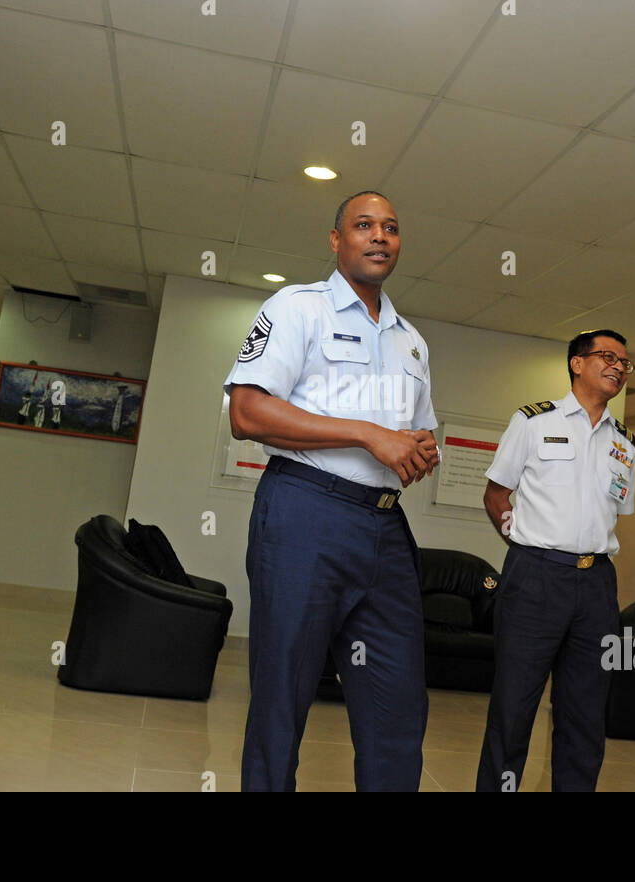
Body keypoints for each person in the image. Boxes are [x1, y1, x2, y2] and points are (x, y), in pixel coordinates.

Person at [225, 190, 439, 791]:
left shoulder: (412, 342)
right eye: (364, 225)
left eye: (391, 228)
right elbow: (247, 413)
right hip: (304, 512)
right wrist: (369, 435)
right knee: (282, 693)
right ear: (336, 239)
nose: (379, 236)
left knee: (398, 704)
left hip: (384, 527)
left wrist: (416, 449)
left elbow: (413, 436)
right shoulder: (298, 309)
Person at [476, 329, 635, 792]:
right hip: (535, 578)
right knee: (513, 708)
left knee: (586, 716)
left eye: (625, 363)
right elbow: (496, 494)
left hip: (596, 586)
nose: (618, 368)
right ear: (577, 364)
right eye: (607, 357)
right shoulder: (532, 422)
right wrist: (525, 545)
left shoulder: (626, 443)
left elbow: (613, 513)